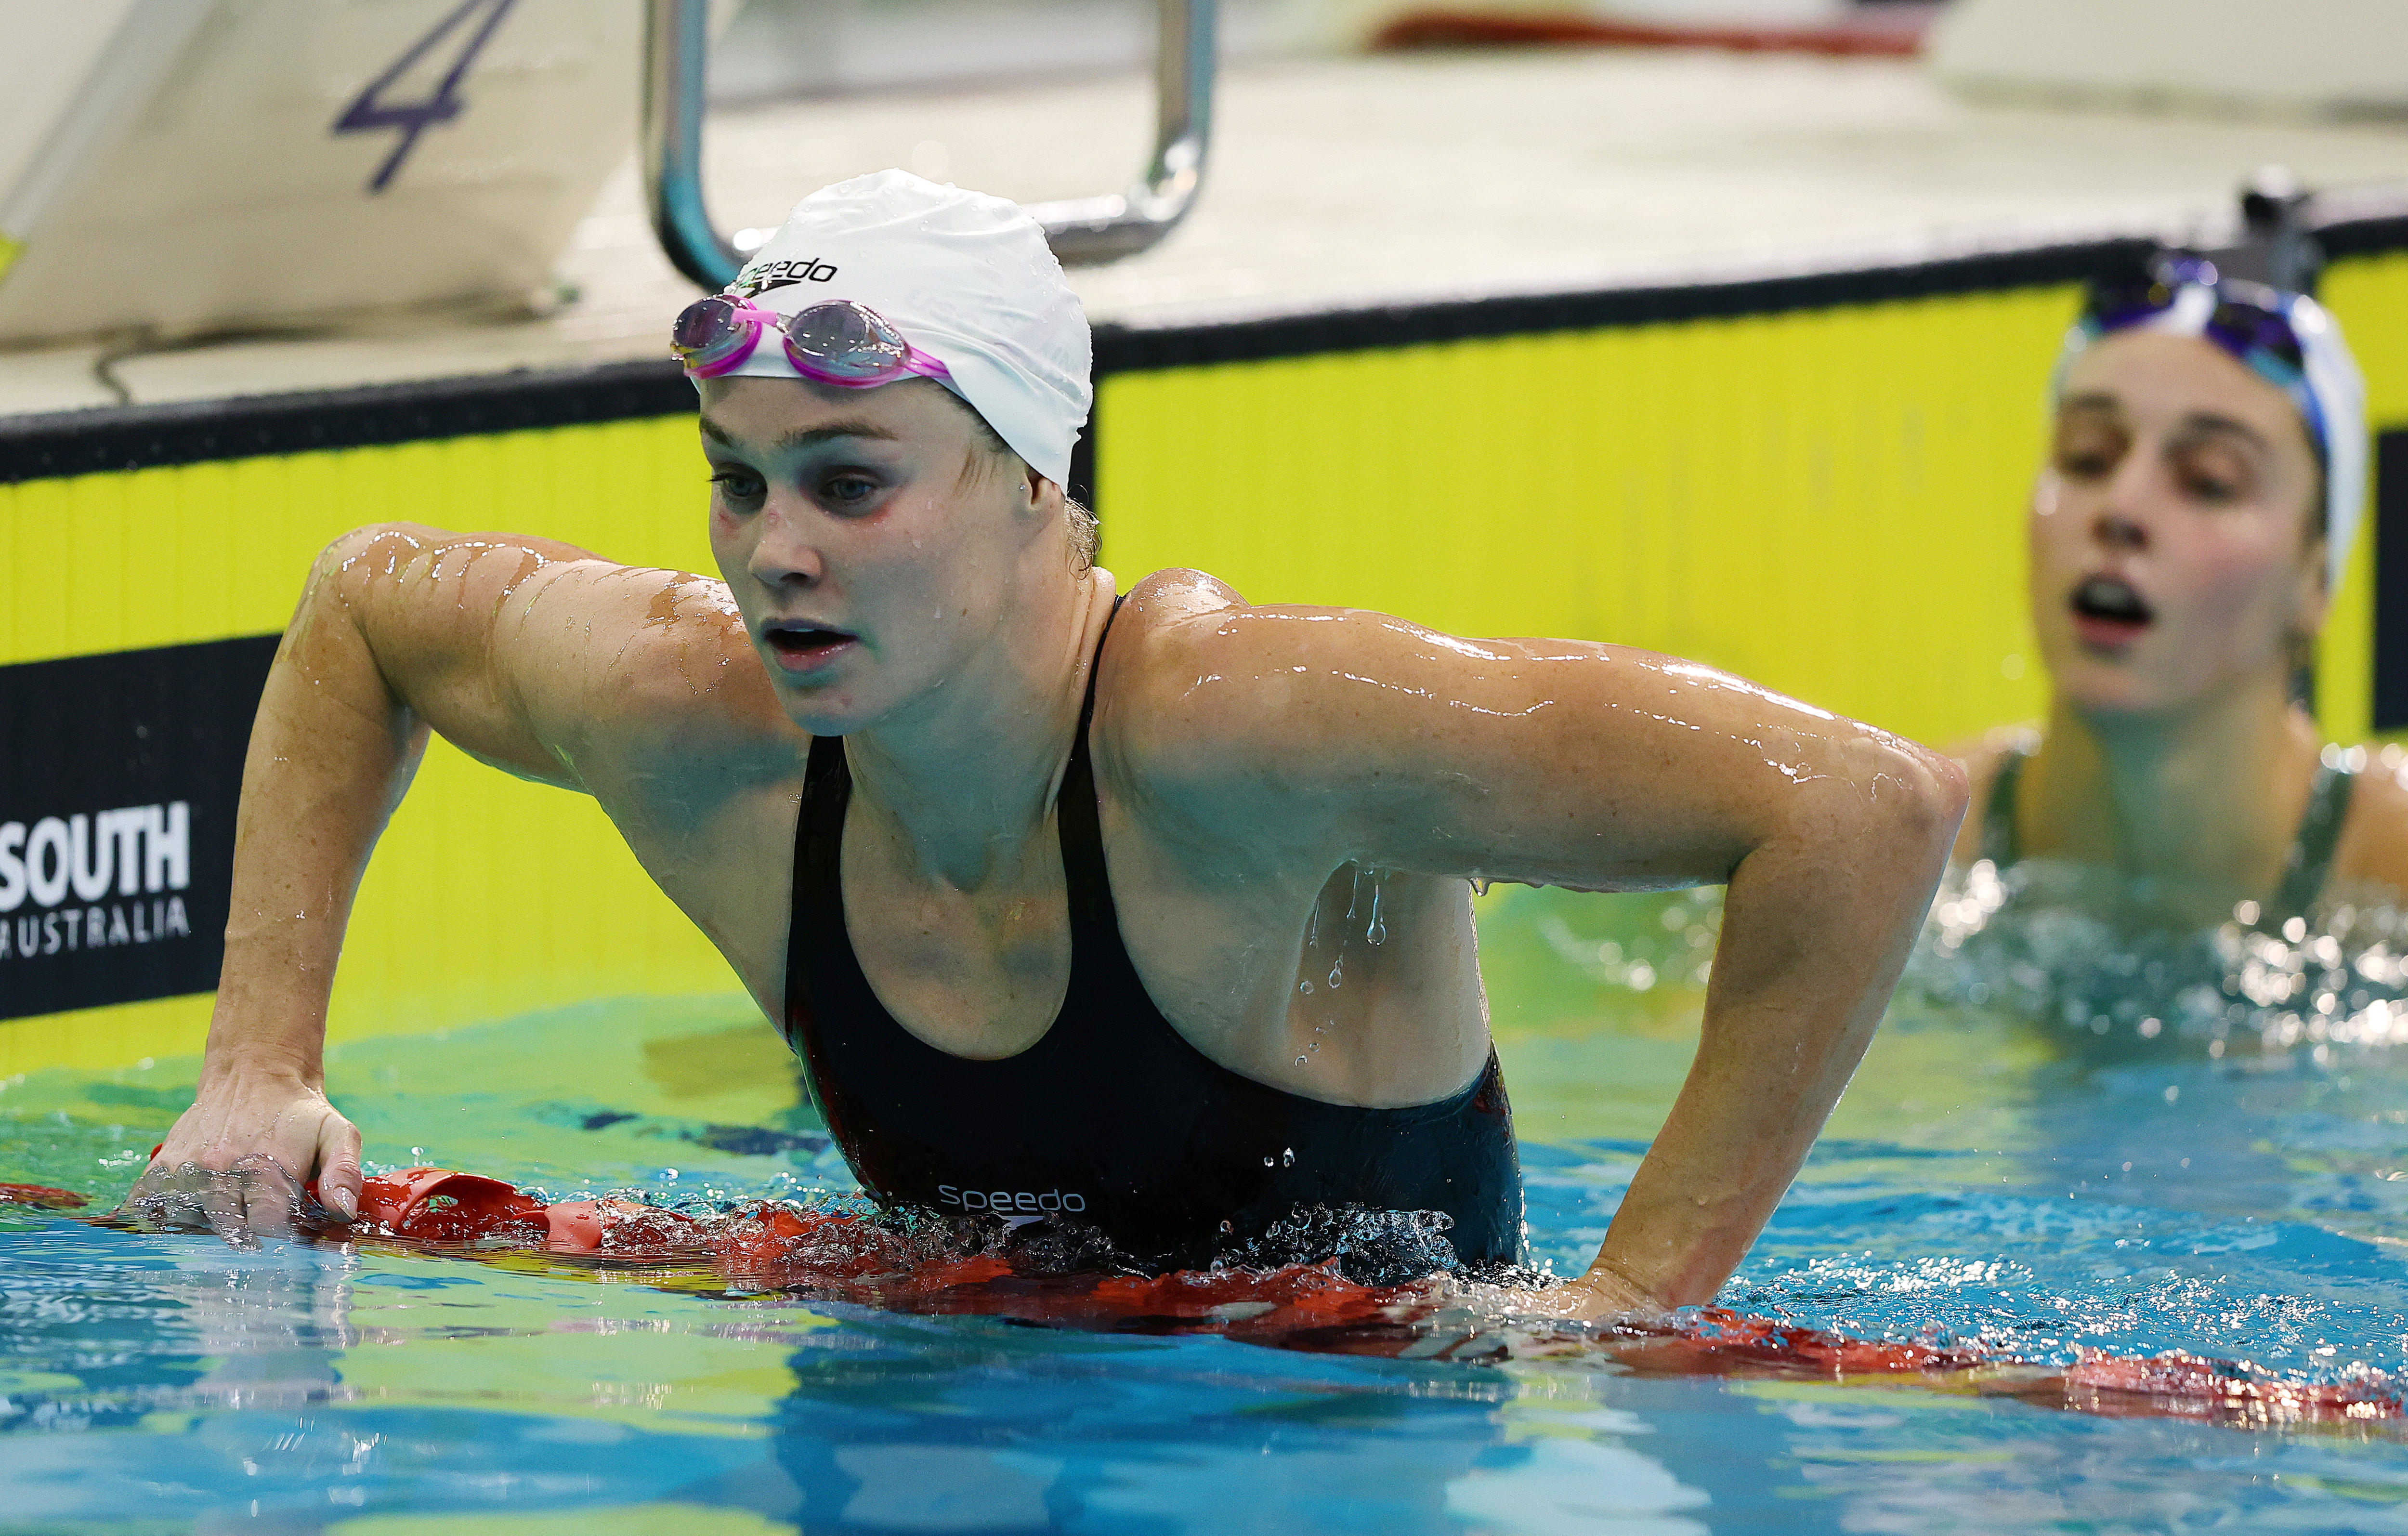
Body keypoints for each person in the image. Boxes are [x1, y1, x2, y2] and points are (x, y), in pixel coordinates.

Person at [126, 171, 1965, 1317]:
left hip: (1357, 1463)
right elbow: (366, 602)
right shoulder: (697, 711)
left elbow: (1859, 809)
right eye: (739, 482)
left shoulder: (1237, 727)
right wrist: (257, 1070)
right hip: (944, 1409)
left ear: (1037, 488)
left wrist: (1635, 1303)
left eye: (851, 484)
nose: (774, 551)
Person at [1950, 253, 2408, 930]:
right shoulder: (1911, 841)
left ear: (2315, 579)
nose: (2121, 508)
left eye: (2208, 481)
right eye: (2087, 459)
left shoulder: (2394, 868)